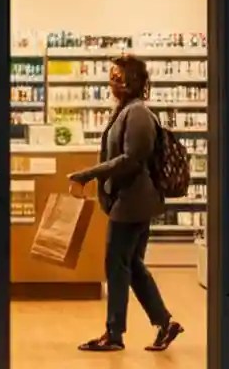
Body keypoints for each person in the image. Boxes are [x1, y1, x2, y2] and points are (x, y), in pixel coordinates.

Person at [68, 54, 183, 353]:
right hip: (130, 200)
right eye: (110, 76)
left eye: (117, 77)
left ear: (131, 81)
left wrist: (88, 174)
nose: (111, 81)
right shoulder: (125, 111)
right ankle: (164, 323)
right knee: (130, 264)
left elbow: (132, 160)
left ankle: (114, 334)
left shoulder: (138, 114)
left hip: (134, 202)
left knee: (116, 264)